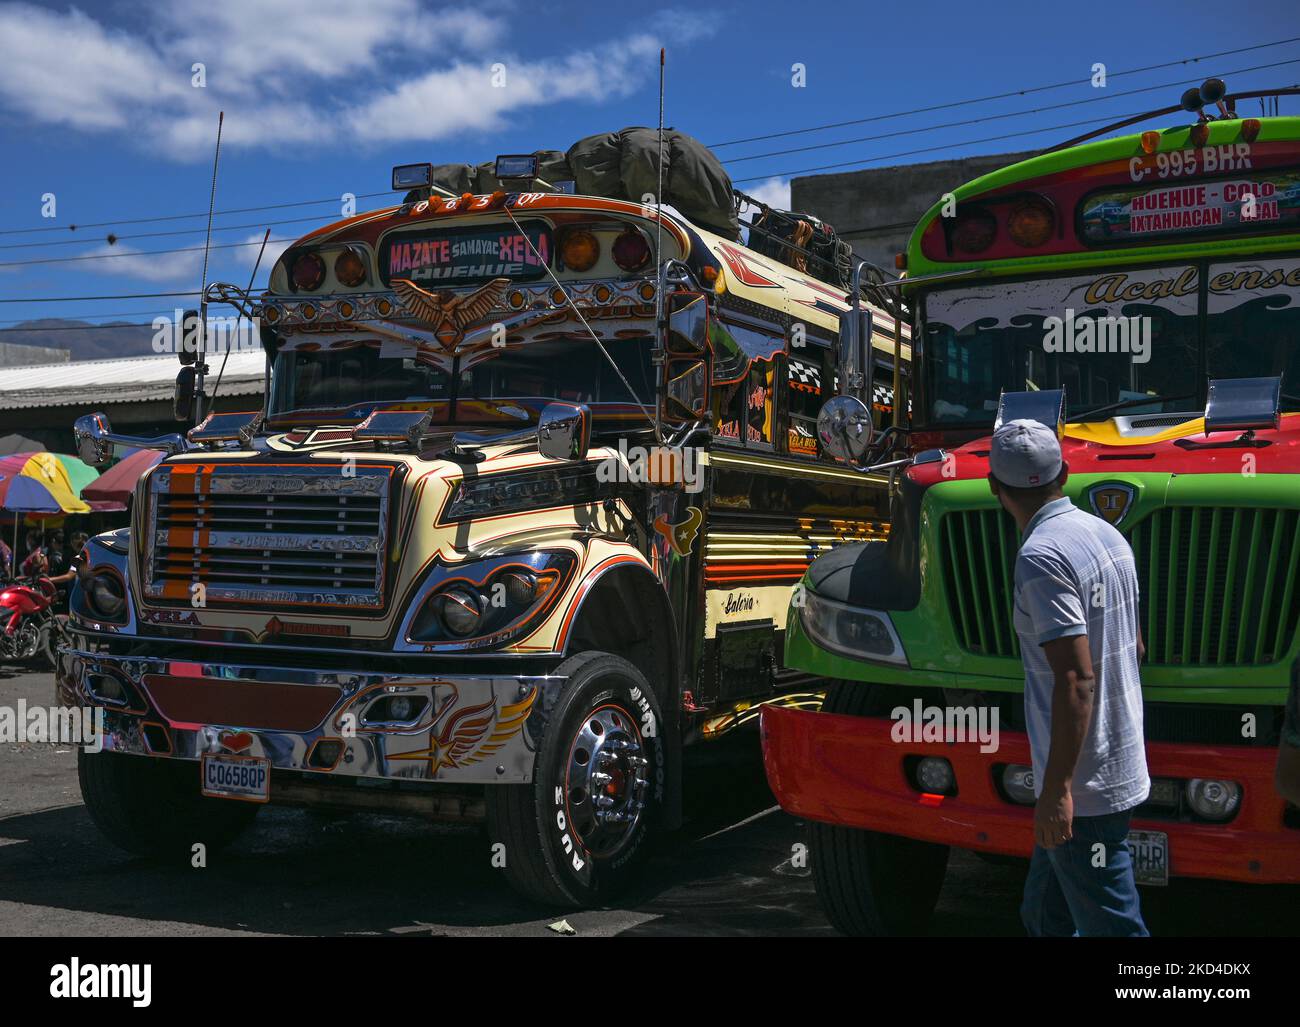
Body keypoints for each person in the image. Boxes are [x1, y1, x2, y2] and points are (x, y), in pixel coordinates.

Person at [987, 418, 1150, 938]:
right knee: (1044, 915)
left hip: (1084, 786)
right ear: (1066, 471)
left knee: (1112, 928)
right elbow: (1136, 647)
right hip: (1109, 765)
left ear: (995, 488)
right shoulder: (1107, 535)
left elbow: (1077, 679)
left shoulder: (1041, 556)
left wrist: (1057, 790)